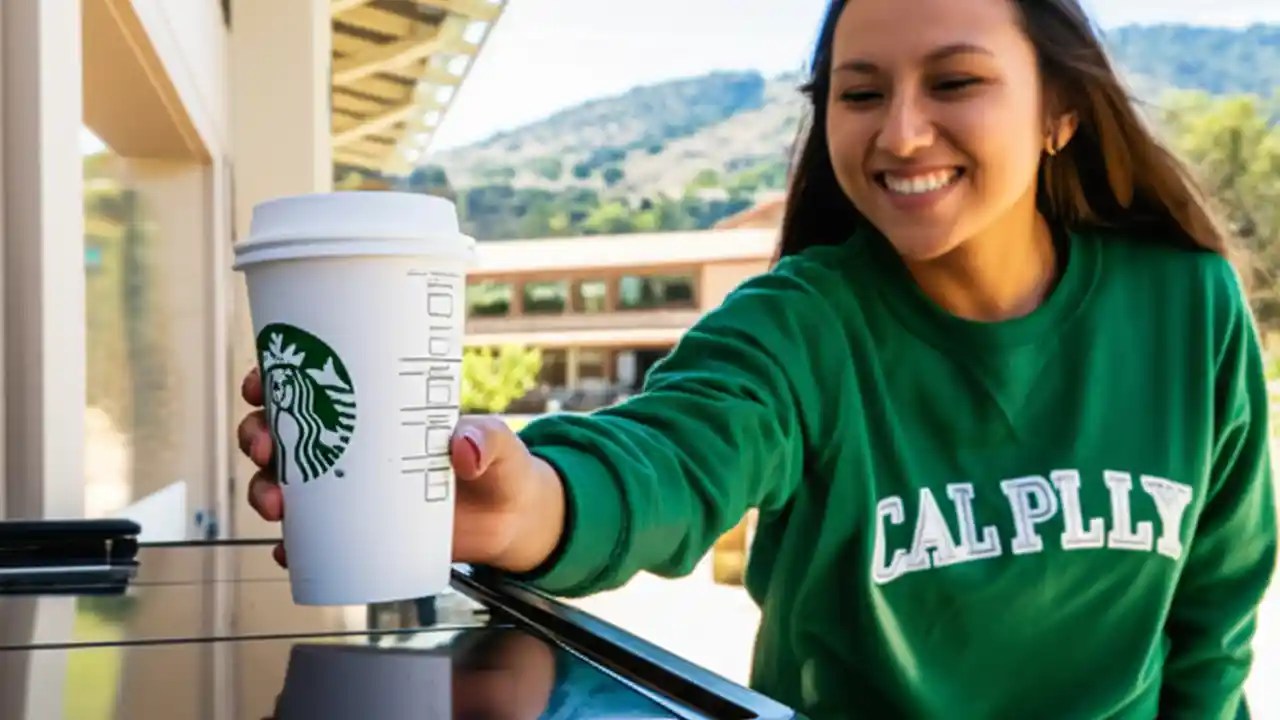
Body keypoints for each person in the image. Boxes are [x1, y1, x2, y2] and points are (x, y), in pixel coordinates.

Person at [238, 0, 1279, 716]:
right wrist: (523, 502)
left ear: (1058, 111)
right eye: (858, 94)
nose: (901, 133)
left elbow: (1214, 614)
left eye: (954, 81)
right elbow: (667, 459)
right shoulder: (799, 326)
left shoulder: (1183, 307)